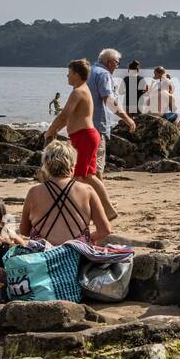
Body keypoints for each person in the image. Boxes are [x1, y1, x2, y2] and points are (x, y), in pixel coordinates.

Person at [45, 58, 119, 220]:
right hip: (84, 136)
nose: (67, 76)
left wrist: (50, 131)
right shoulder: (81, 89)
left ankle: (105, 209)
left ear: (77, 75)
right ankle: (94, 208)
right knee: (87, 175)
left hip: (85, 136)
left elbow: (64, 116)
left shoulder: (78, 92)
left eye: (69, 73)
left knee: (83, 175)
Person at [19, 140, 110, 245]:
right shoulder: (87, 190)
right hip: (76, 254)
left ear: (46, 165)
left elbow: (24, 231)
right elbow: (105, 230)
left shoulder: (34, 192)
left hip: (44, 255)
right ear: (72, 166)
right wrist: (88, 238)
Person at [85, 49, 136, 217]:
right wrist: (127, 119)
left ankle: (97, 201)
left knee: (89, 167)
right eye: (117, 63)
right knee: (96, 168)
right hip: (97, 125)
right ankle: (103, 205)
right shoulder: (104, 74)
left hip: (82, 124)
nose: (117, 66)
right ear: (110, 62)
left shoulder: (88, 71)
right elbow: (109, 99)